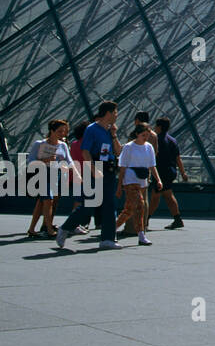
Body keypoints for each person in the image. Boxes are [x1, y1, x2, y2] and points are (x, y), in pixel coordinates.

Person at [58, 101, 122, 249]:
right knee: (90, 203)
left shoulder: (109, 131)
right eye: (116, 112)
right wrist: (93, 169)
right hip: (95, 168)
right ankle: (66, 228)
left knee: (109, 204)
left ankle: (108, 238)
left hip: (109, 169)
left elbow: (118, 152)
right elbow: (85, 151)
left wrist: (114, 135)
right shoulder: (92, 129)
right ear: (108, 113)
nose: (117, 115)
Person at [26, 119, 75, 239]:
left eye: (64, 131)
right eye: (59, 131)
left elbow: (69, 161)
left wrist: (75, 172)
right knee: (48, 200)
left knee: (41, 202)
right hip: (42, 173)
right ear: (51, 131)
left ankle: (32, 229)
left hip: (56, 173)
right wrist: (44, 160)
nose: (62, 134)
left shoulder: (62, 145)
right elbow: (30, 161)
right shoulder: (39, 144)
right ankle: (49, 229)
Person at [116, 123, 160, 246]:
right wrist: (119, 185)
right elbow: (123, 168)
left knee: (129, 209)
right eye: (143, 135)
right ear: (137, 134)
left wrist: (158, 179)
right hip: (130, 178)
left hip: (142, 179)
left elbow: (152, 165)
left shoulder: (149, 147)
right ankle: (141, 234)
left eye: (147, 135)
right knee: (140, 205)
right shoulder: (129, 147)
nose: (145, 137)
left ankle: (112, 228)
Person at [148, 116, 186, 230]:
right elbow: (178, 158)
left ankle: (146, 219)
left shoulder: (156, 140)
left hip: (160, 172)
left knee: (156, 196)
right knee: (167, 195)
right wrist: (183, 172)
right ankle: (177, 219)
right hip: (170, 171)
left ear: (159, 127)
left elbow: (153, 157)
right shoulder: (172, 140)